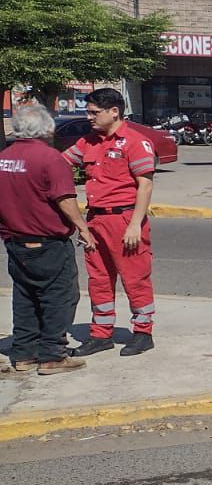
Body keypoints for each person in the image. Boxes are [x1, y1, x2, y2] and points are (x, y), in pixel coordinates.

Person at [0, 104, 96, 374]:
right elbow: (65, 199)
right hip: (47, 241)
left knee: (25, 296)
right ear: (46, 128)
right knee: (59, 296)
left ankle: (24, 354)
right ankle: (53, 354)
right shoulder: (50, 158)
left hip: (15, 242)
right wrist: (83, 228)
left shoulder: (4, 157)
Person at [62, 88, 157, 357]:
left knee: (135, 278)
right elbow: (59, 163)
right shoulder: (88, 142)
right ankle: (101, 334)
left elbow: (145, 185)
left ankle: (143, 333)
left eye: (94, 112)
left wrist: (135, 224)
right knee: (99, 279)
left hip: (124, 219)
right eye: (88, 112)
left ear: (114, 111)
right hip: (96, 220)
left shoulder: (135, 142)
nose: (88, 117)